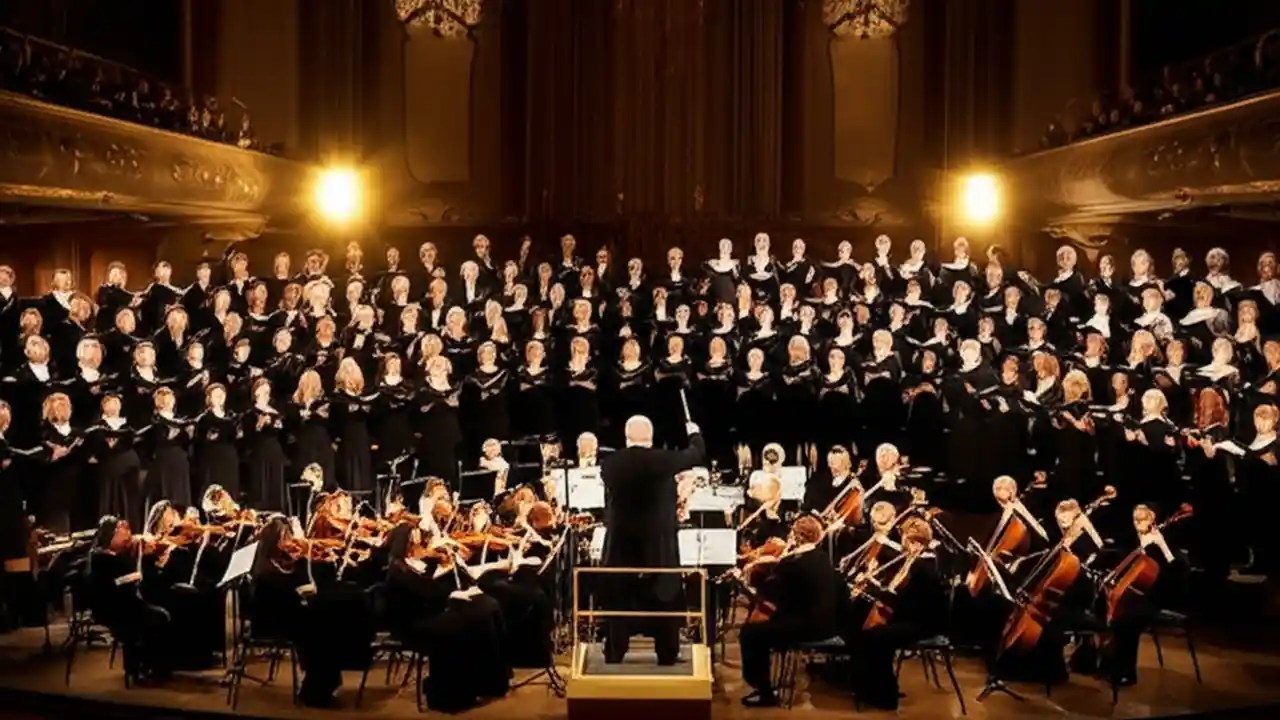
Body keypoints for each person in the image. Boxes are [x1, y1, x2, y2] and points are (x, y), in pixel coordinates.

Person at [600, 414, 704, 665]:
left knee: (619, 599)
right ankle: (667, 653)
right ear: (651, 436)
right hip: (658, 544)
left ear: (626, 436)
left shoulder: (610, 464)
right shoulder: (661, 460)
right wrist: (694, 433)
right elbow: (695, 455)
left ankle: (615, 651)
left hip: (621, 543)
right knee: (663, 597)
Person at [737, 514, 841, 707]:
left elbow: (771, 596)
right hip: (826, 624)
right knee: (764, 628)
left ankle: (764, 691)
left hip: (807, 627)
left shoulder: (791, 563)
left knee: (751, 633)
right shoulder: (822, 558)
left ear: (796, 536)